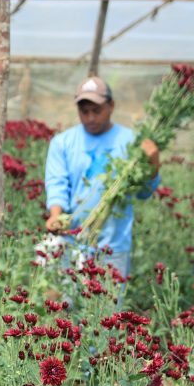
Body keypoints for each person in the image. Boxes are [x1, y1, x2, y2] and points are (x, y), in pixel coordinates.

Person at [44, 75, 160, 281]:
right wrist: (56, 215)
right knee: (63, 306)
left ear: (111, 106)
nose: (90, 118)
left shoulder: (133, 142)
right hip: (71, 240)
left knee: (106, 310)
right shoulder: (62, 142)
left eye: (96, 111)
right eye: (84, 111)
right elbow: (57, 184)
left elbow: (143, 192)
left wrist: (153, 162)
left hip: (112, 246)